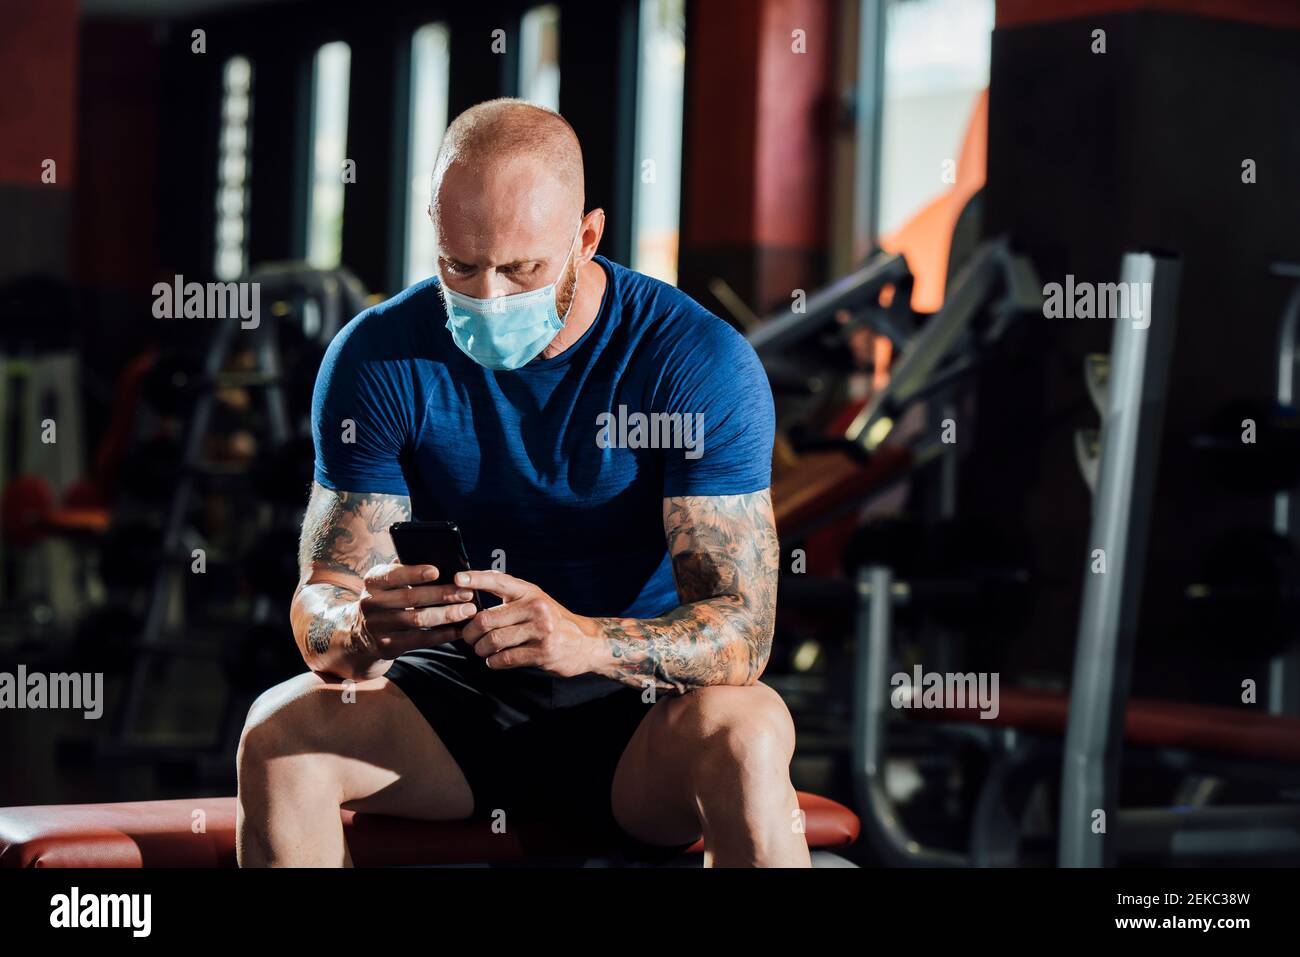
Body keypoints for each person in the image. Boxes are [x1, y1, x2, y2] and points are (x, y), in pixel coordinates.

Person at [235, 98, 808, 867]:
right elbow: (323, 596)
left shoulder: (695, 360)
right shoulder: (377, 357)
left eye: (521, 268)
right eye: (460, 266)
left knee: (752, 729)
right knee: (279, 733)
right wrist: (366, 630)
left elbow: (745, 631)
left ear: (587, 237)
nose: (489, 297)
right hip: (452, 707)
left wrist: (584, 640)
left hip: (637, 713)